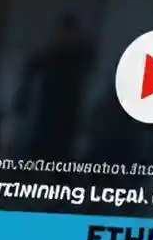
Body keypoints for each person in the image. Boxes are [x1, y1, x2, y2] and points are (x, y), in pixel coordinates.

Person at [14, 13, 95, 160]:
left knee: (57, 155)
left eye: (66, 34)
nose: (62, 37)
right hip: (44, 116)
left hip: (65, 118)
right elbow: (31, 67)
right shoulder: (50, 55)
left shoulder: (77, 58)